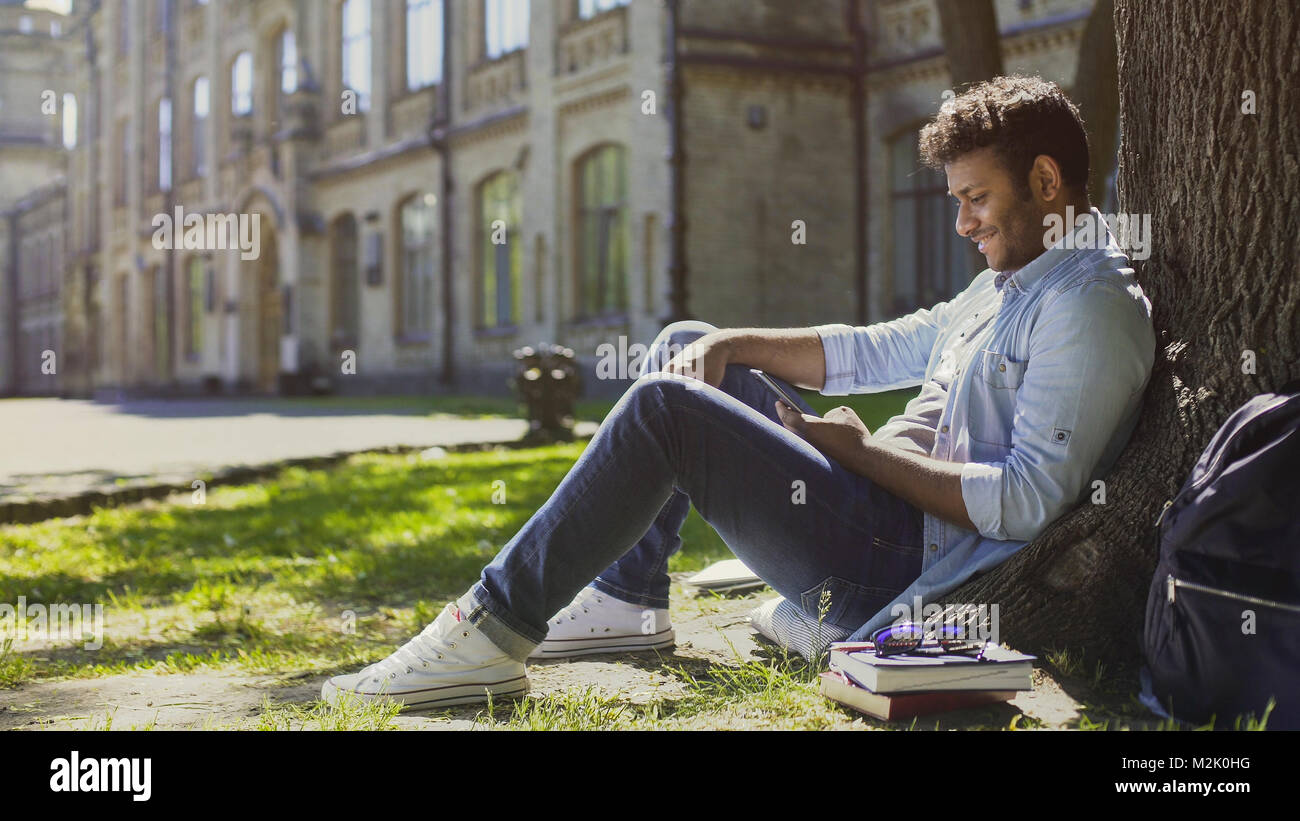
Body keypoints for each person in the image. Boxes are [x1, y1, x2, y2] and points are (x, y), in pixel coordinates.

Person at [321, 75, 1156, 710]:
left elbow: (1024, 503)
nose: (965, 222)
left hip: (898, 562)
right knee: (685, 351)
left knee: (663, 409)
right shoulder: (1009, 279)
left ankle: (490, 628)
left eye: (977, 199)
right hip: (873, 507)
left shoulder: (1087, 305)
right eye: (959, 201)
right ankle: (628, 599)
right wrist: (732, 343)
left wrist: (863, 453)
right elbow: (875, 350)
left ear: (1046, 181)